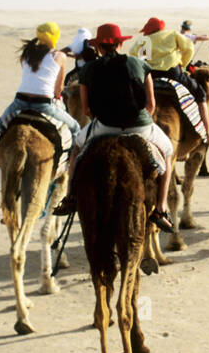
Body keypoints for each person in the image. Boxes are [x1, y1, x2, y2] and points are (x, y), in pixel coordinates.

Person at [53, 23, 174, 229]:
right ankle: (161, 208)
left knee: (75, 150)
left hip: (104, 126)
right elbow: (151, 105)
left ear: (98, 47)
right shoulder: (138, 64)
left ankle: (71, 197)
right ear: (120, 44)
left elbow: (87, 109)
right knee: (168, 152)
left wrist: (105, 120)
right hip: (141, 126)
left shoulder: (89, 69)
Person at [0, 22, 80, 177]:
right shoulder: (59, 56)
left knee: (1, 123)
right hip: (43, 104)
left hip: (20, 101)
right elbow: (59, 88)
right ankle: (74, 164)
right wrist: (58, 97)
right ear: (56, 37)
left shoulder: (29, 53)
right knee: (74, 127)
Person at [129, 18, 209, 143]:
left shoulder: (144, 40)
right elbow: (189, 48)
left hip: (151, 75)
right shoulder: (172, 34)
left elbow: (133, 54)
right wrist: (183, 64)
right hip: (174, 73)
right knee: (201, 94)